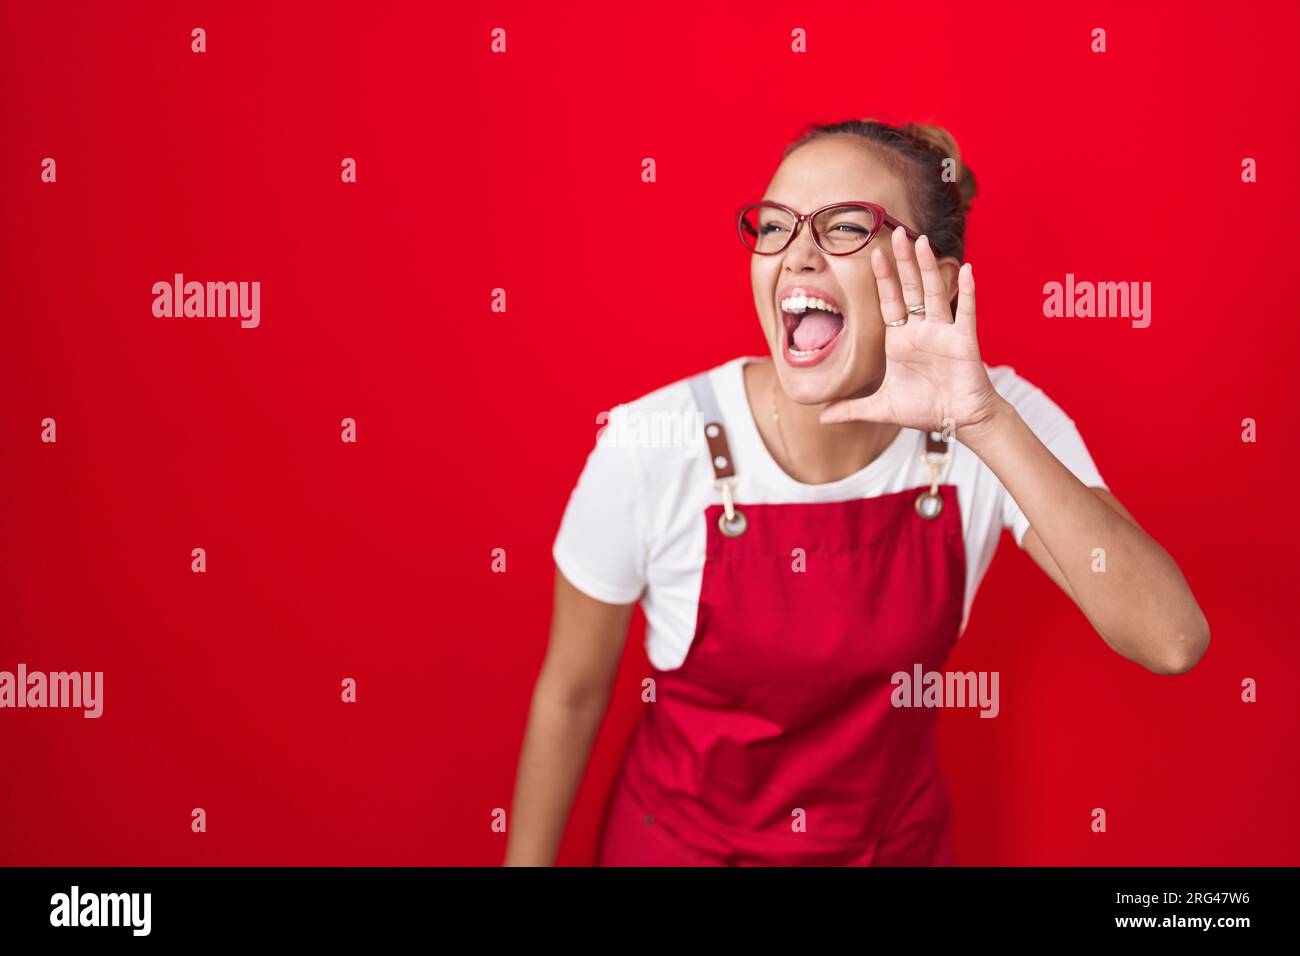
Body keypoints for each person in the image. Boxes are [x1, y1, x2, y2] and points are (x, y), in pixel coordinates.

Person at [504, 118, 1210, 867]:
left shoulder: (993, 420)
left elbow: (1171, 640)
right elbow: (571, 693)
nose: (797, 253)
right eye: (773, 227)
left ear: (934, 278)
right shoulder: (652, 445)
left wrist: (981, 422)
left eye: (845, 228)